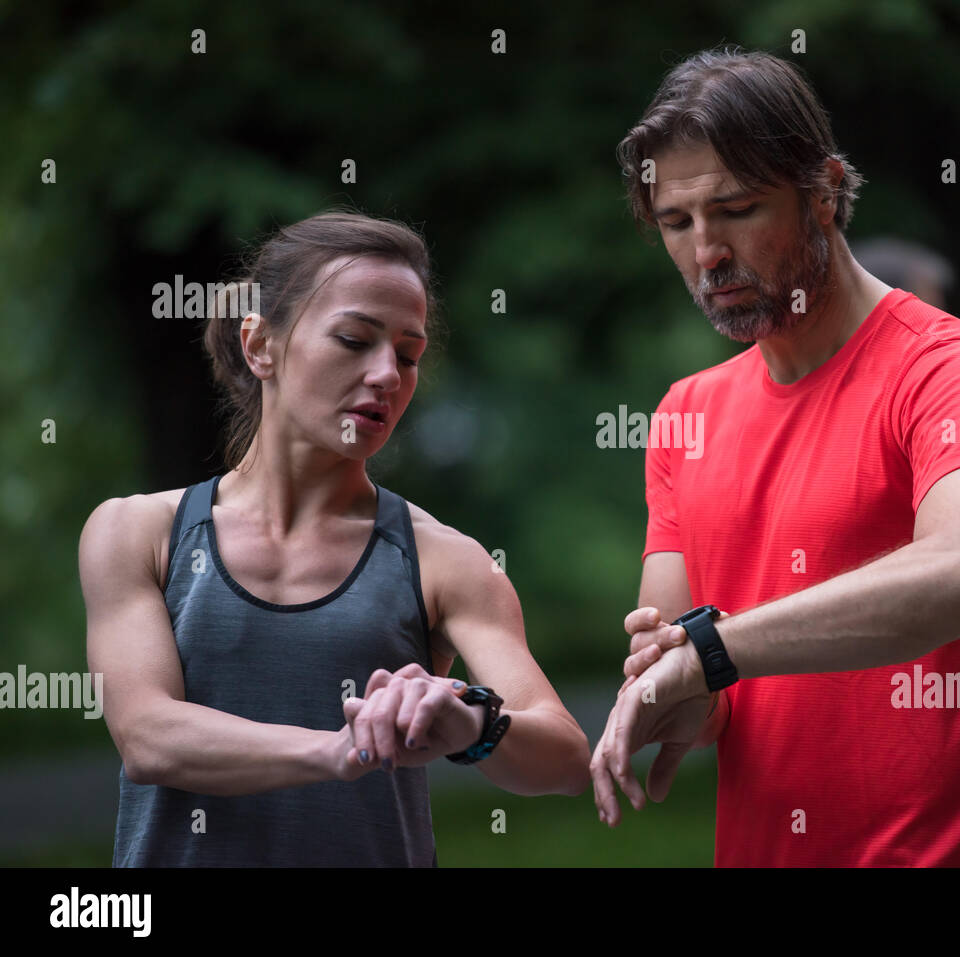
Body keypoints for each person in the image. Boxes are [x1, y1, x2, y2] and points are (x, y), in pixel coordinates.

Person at [589, 47, 960, 867]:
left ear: (826, 191)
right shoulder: (684, 415)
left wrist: (713, 651)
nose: (705, 253)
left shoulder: (954, 372)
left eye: (736, 209)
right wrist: (667, 693)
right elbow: (706, 696)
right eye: (676, 223)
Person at [80, 211, 589, 866]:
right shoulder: (139, 531)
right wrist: (339, 750)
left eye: (408, 354)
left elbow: (567, 759)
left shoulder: (443, 559)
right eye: (354, 339)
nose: (388, 375)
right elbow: (149, 738)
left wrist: (473, 724)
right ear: (260, 344)